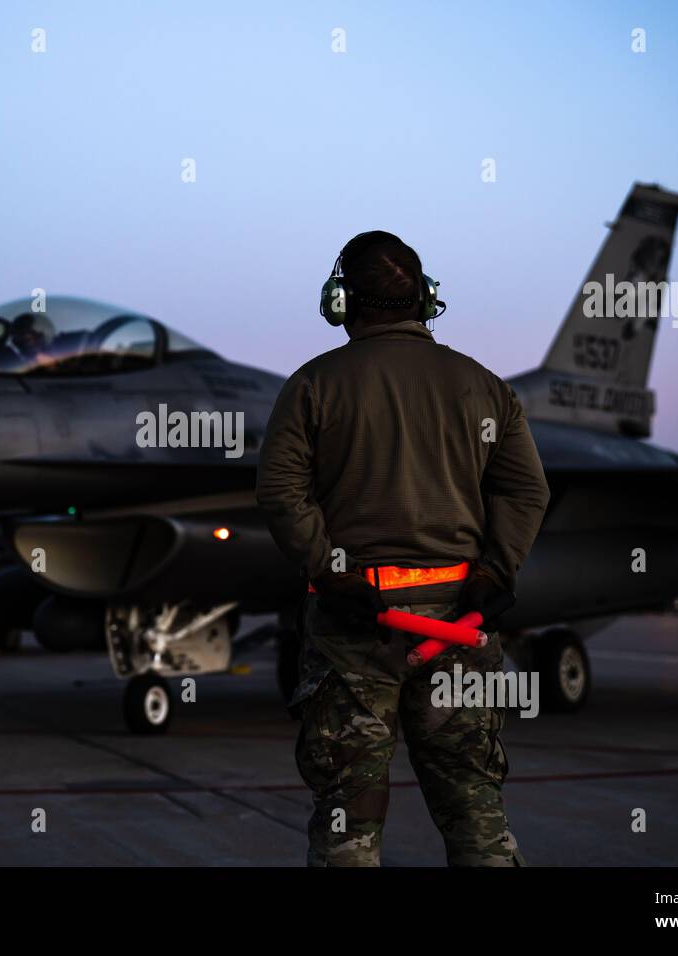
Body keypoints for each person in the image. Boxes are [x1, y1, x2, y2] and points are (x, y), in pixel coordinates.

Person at [256, 231, 550, 867]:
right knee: (475, 805)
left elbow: (281, 492)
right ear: (426, 298)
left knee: (348, 822)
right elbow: (527, 490)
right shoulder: (484, 388)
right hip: (459, 624)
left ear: (342, 300)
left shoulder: (312, 386)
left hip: (355, 624)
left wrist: (333, 573)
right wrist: (495, 574)